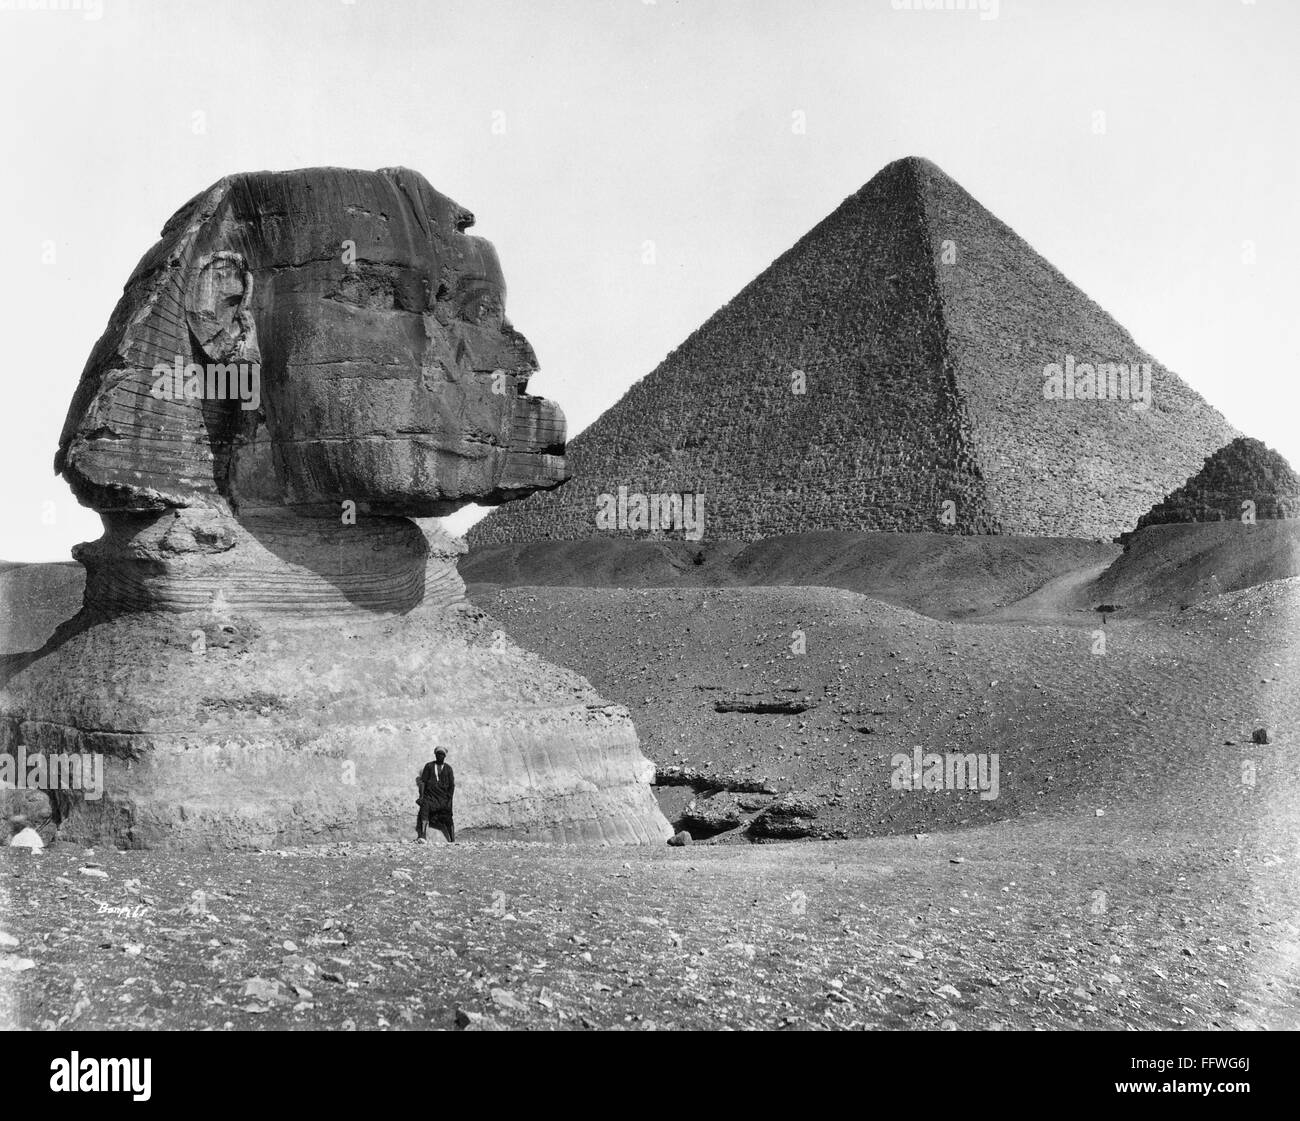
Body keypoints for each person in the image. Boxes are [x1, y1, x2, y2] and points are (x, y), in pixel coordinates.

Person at [415, 748, 455, 843]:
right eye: (438, 754)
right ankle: (422, 835)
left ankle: (453, 839)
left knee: (448, 816)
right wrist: (421, 797)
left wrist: (449, 800)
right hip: (430, 797)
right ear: (435, 755)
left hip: (443, 798)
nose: (440, 756)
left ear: (444, 756)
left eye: (442, 754)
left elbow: (451, 786)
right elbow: (423, 782)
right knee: (424, 808)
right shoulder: (429, 766)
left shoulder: (448, 768)